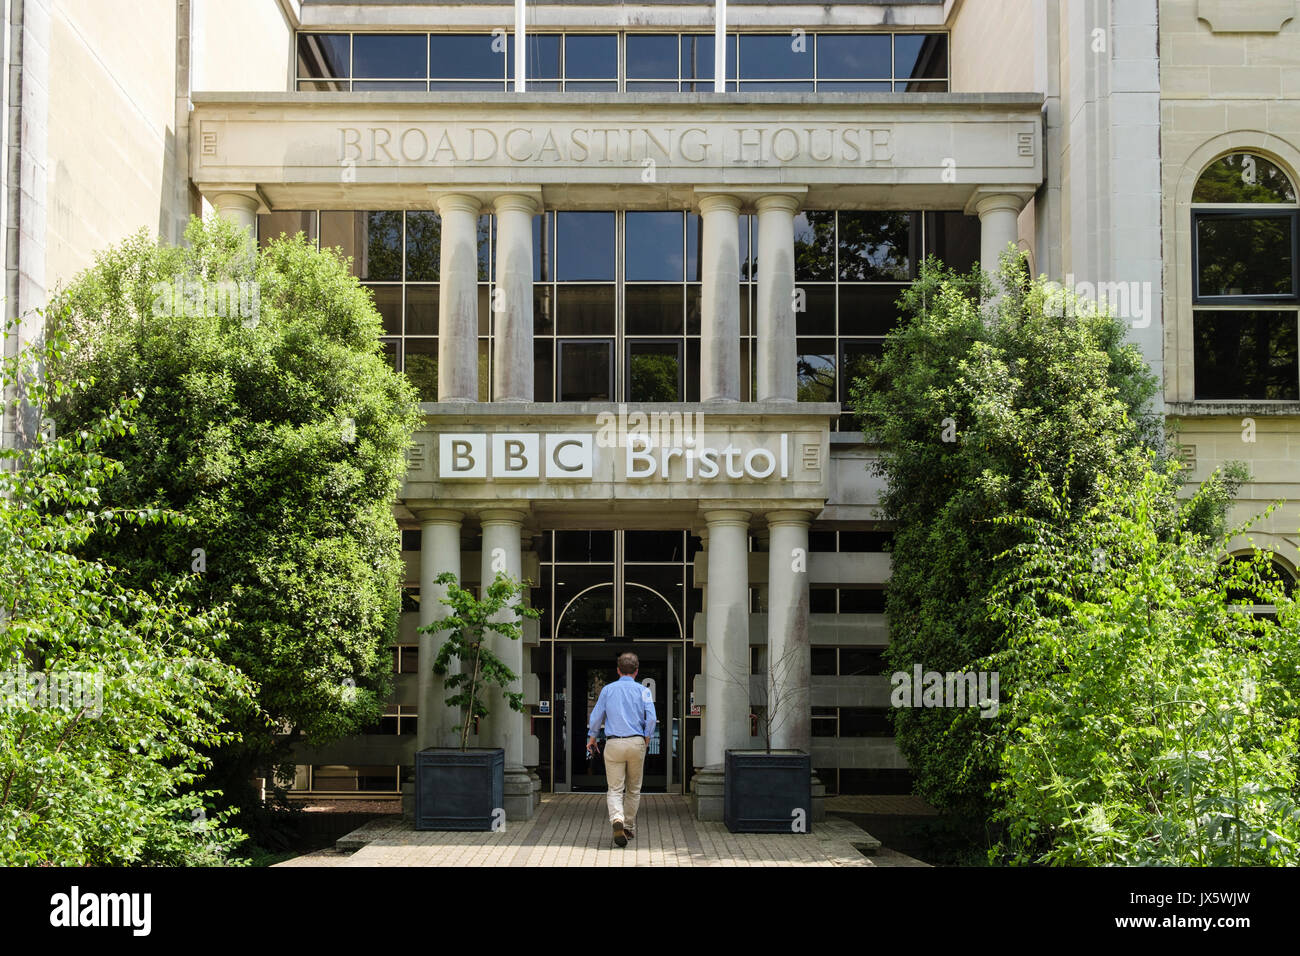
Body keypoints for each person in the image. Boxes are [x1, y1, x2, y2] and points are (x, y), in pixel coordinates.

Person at [586, 651, 657, 848]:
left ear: (618, 670)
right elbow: (651, 718)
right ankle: (627, 826)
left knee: (615, 789)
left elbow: (597, 715)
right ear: (637, 671)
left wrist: (592, 737)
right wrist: (646, 738)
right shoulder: (644, 691)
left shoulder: (608, 690)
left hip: (614, 743)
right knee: (633, 789)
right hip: (636, 742)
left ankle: (616, 818)